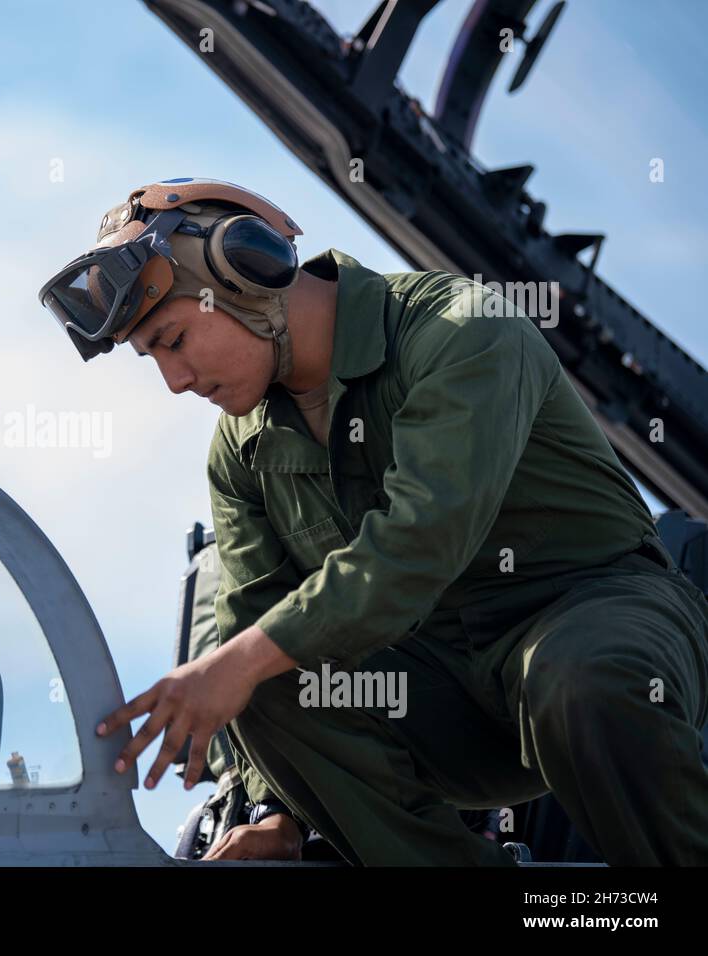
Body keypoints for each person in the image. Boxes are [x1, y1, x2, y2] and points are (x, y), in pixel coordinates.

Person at [37, 177, 708, 865]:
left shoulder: (462, 330)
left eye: (174, 339)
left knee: (576, 681)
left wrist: (239, 662)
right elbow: (250, 620)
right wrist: (277, 810)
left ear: (245, 269)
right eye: (153, 358)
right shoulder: (241, 452)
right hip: (447, 697)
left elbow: (420, 543)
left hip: (595, 623)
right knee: (258, 677)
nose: (174, 381)